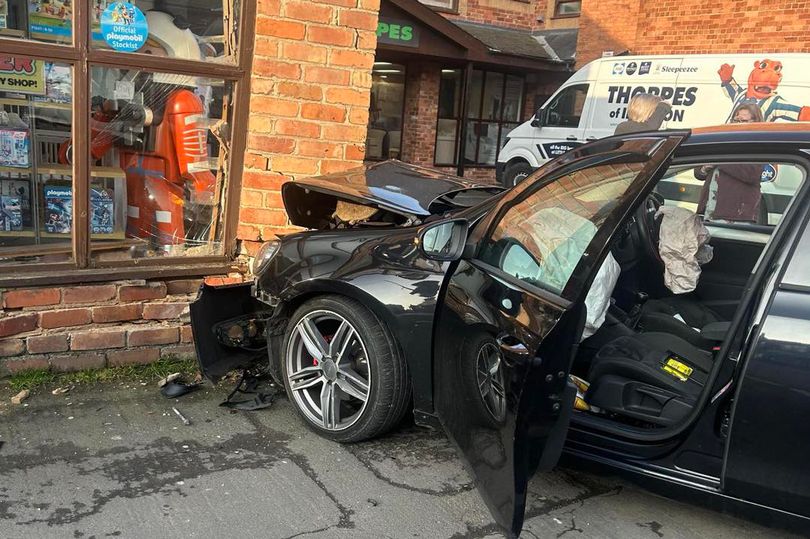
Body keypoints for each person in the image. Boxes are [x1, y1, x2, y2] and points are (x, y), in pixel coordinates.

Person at [695, 104, 764, 222]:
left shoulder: (757, 144)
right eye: (736, 120)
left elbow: (752, 174)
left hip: (734, 215)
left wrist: (720, 161)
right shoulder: (724, 139)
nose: (738, 123)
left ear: (756, 121)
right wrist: (704, 168)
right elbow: (698, 173)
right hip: (708, 211)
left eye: (743, 121)